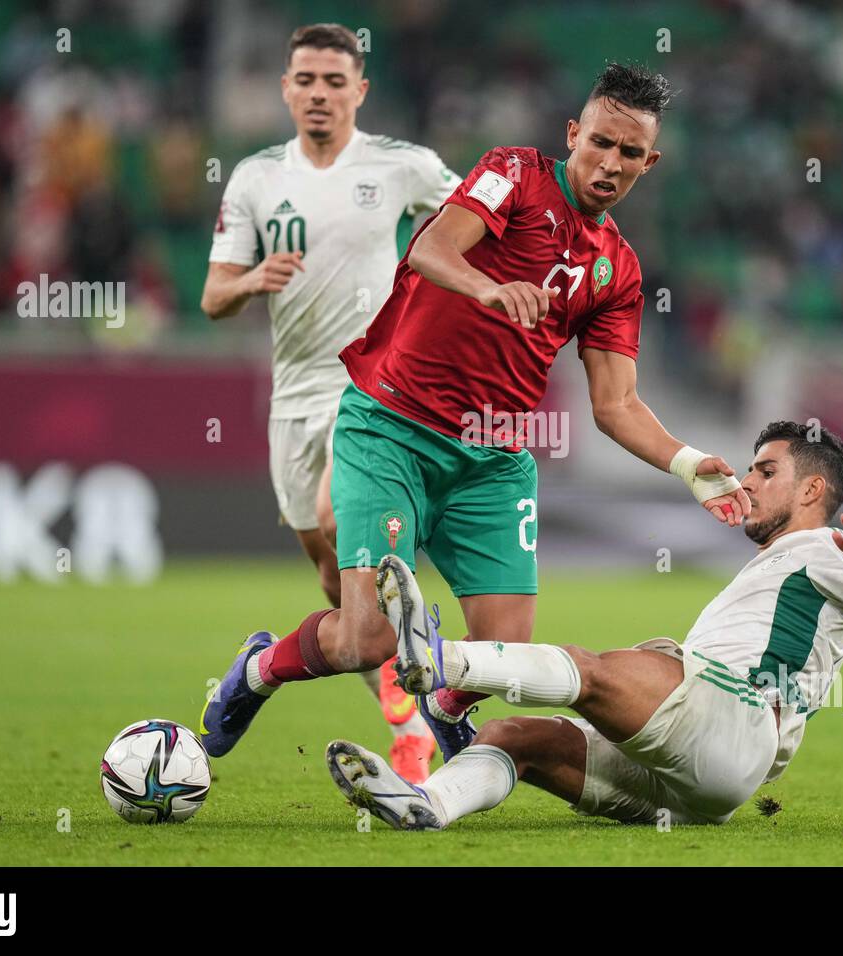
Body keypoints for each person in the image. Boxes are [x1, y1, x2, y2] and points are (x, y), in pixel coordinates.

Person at [201, 60, 750, 770]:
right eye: (601, 144)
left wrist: (687, 463)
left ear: (652, 162)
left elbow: (615, 405)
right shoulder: (513, 173)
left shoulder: (618, 269)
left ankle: (443, 707)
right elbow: (430, 248)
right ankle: (257, 670)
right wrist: (489, 291)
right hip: (392, 427)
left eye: (631, 154)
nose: (611, 164)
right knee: (368, 642)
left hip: (491, 462)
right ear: (574, 133)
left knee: (508, 658)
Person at [325, 422, 843, 829]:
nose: (748, 483)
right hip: (698, 786)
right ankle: (427, 803)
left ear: (812, 488)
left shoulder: (830, 547)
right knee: (515, 738)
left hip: (738, 717)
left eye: (765, 471)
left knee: (590, 671)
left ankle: (439, 662)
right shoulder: (788, 561)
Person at [199, 23, 460, 780]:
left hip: (371, 385)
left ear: (360, 91)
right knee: (334, 586)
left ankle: (422, 714)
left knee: (347, 515)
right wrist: (252, 281)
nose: (318, 93)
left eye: (334, 81)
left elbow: (480, 220)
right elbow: (214, 295)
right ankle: (388, 704)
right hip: (294, 394)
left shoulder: (402, 166)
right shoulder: (254, 178)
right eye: (305, 80)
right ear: (286, 88)